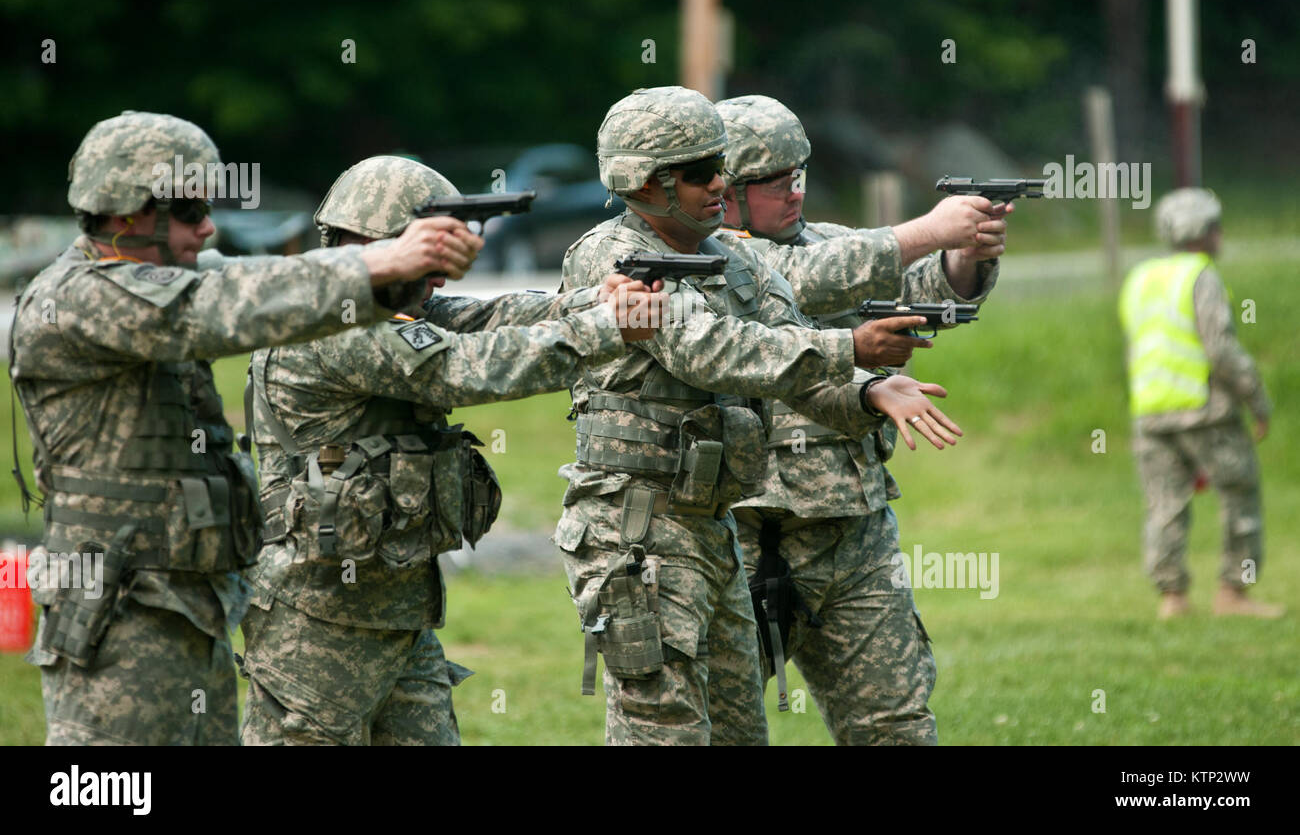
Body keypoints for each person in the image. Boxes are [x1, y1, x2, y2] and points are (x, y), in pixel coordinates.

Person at [10, 110, 478, 745]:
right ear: (127, 217)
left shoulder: (156, 280)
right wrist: (382, 260)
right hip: (116, 618)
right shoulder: (81, 297)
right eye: (189, 210)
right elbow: (223, 306)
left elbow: (241, 279)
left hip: (184, 603)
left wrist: (393, 273)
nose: (207, 227)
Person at [555, 86, 967, 746]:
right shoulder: (609, 254)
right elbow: (710, 349)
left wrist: (866, 391)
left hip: (714, 528)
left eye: (722, 166)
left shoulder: (732, 257)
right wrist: (851, 346)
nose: (718, 183)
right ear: (645, 180)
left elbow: (787, 343)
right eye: (701, 172)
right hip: (642, 531)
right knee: (668, 732)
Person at [239, 154, 666, 745]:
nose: (441, 280)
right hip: (313, 627)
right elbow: (461, 369)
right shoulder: (329, 324)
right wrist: (608, 327)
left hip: (399, 617)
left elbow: (488, 317)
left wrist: (593, 300)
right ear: (379, 244)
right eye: (430, 256)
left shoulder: (389, 307)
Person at [713, 93, 1006, 744]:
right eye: (774, 181)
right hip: (738, 532)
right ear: (726, 192)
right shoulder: (709, 266)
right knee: (712, 730)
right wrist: (928, 228)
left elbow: (920, 289)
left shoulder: (838, 246)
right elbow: (786, 279)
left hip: (851, 533)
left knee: (895, 725)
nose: (794, 192)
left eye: (800, 175)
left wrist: (968, 252)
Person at [1118, 188, 1281, 620]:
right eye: (1215, 227)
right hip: (1204, 409)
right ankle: (1234, 593)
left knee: (1165, 504)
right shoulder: (1200, 275)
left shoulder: (1140, 277)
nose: (1219, 235)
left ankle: (1172, 599)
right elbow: (1220, 348)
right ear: (1203, 232)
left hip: (1151, 411)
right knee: (1239, 495)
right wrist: (1256, 398)